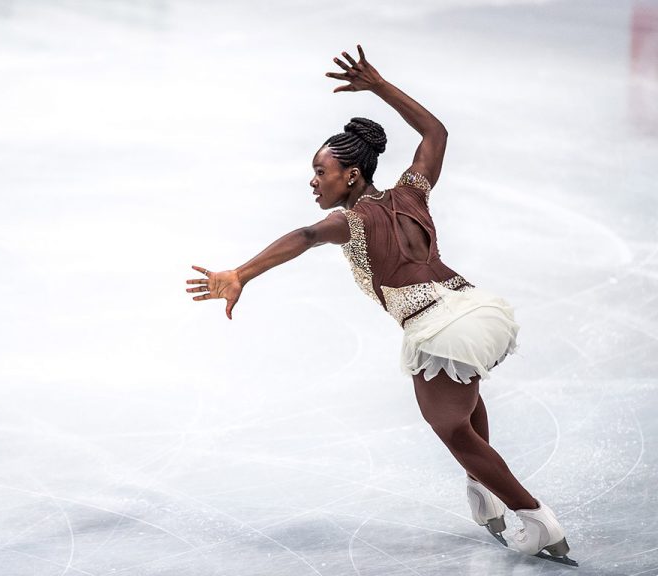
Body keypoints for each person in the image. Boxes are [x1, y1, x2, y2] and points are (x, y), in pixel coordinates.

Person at [185, 45, 575, 564]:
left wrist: (241, 273)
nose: (313, 179)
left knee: (452, 431)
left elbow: (305, 235)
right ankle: (483, 490)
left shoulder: (354, 221)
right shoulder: (412, 192)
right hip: (477, 308)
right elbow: (435, 134)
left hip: (440, 330)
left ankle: (535, 518)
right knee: (463, 409)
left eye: (321, 170)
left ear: (351, 175)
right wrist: (380, 84)